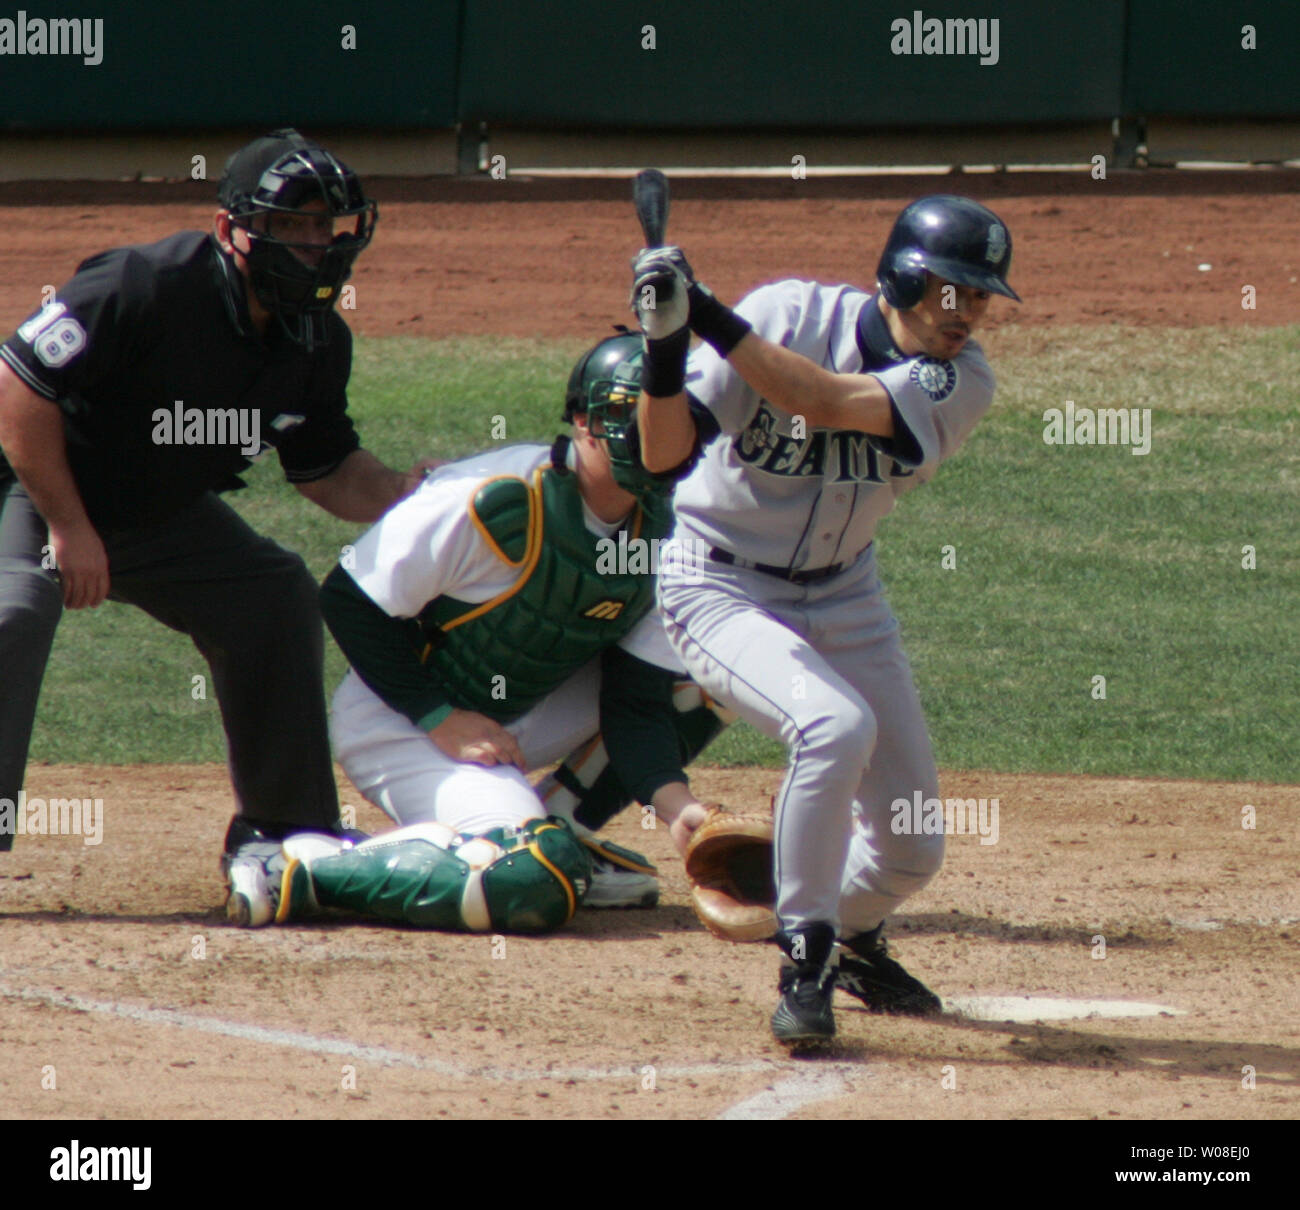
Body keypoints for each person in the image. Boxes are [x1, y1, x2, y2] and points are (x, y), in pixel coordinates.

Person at [628, 195, 1021, 1043]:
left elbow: (827, 402)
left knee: (912, 850)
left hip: (847, 594)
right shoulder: (787, 314)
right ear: (904, 279)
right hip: (717, 583)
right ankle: (805, 961)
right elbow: (662, 455)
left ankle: (843, 929)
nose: (971, 315)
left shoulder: (961, 379)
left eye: (983, 297)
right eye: (955, 292)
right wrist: (665, 350)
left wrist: (704, 315)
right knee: (834, 727)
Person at [0, 129, 428, 893]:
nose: (311, 246)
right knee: (14, 613)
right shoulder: (144, 284)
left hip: (155, 512)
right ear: (233, 228)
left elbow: (325, 469)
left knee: (271, 595)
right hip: (30, 489)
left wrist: (404, 491)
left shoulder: (317, 340)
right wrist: (68, 526)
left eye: (322, 228)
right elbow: (19, 389)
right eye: (290, 226)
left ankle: (287, 836)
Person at [230, 329, 733, 932]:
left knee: (719, 671)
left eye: (670, 417)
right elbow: (348, 596)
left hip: (523, 715)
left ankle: (556, 832)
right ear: (581, 419)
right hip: (403, 722)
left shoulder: (675, 531)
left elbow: (637, 699)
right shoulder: (491, 500)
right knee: (527, 881)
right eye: (629, 414)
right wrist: (439, 717)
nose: (653, 433)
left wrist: (681, 812)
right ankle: (298, 865)